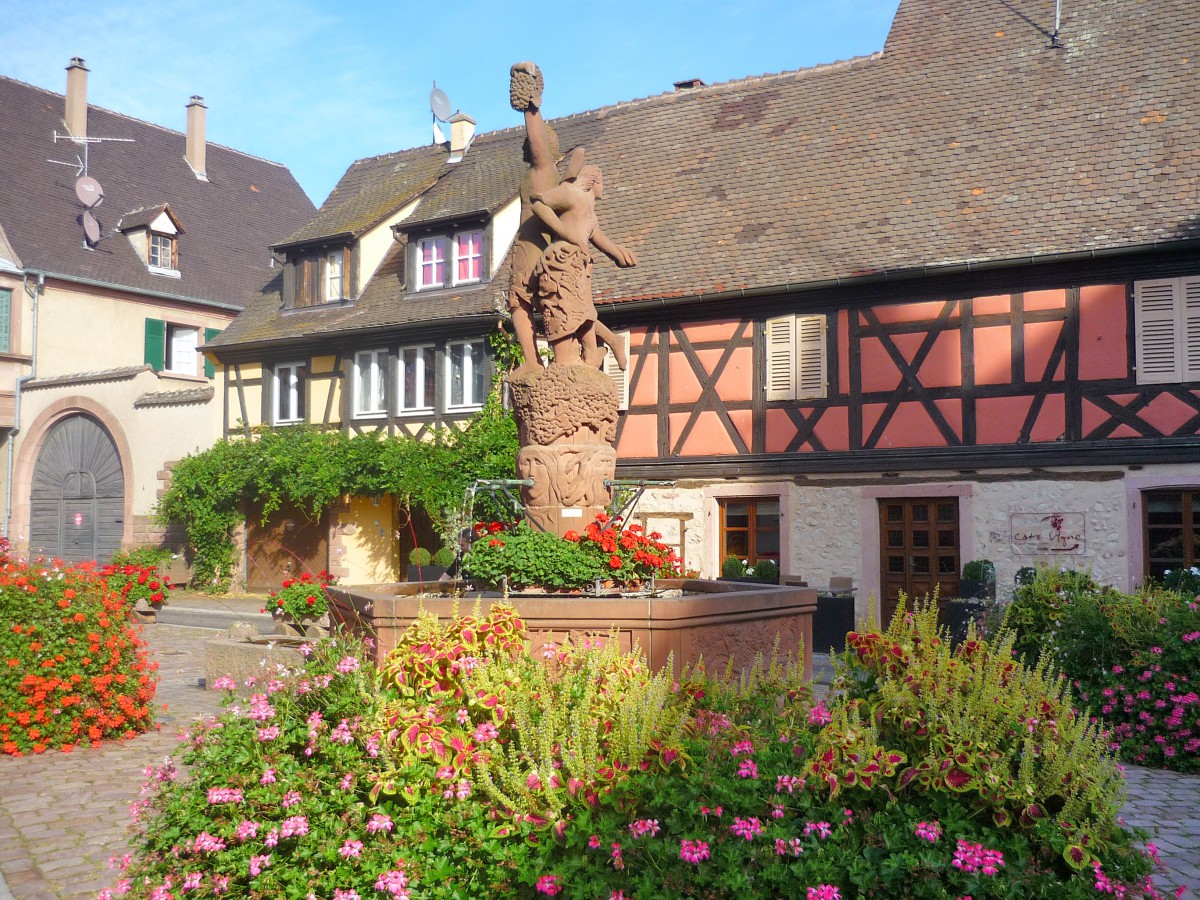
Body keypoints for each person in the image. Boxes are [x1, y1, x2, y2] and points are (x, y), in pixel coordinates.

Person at [507, 62, 584, 376]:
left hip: (532, 245)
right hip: (542, 243)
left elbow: (537, 141)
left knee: (519, 302)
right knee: (551, 302)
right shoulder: (549, 176)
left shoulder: (543, 170)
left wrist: (531, 109)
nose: (528, 145)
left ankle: (532, 360)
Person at [530, 165, 636, 368]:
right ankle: (592, 351)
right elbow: (538, 204)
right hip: (560, 261)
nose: (603, 188)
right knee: (563, 309)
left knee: (583, 312)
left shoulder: (592, 216)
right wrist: (567, 233)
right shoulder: (570, 194)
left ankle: (593, 353)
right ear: (594, 182)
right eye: (602, 182)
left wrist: (621, 254)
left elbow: (604, 242)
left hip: (580, 264)